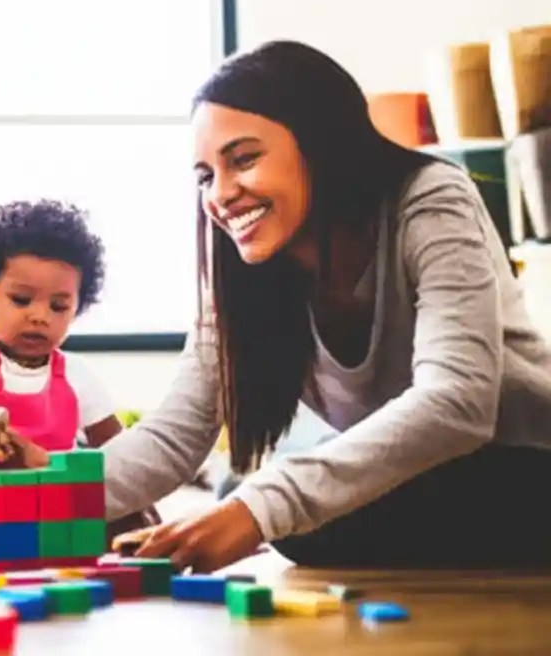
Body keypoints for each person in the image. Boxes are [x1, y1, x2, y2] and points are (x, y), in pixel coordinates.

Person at [102, 40, 551, 571]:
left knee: (280, 507)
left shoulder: (430, 197)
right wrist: (38, 494)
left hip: (526, 470)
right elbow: (173, 435)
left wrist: (261, 505)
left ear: (318, 145)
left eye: (243, 159)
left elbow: (458, 402)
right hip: (423, 493)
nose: (220, 194)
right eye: (205, 176)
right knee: (296, 522)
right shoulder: (245, 274)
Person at [0, 200, 159, 537]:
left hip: (51, 519)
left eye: (58, 306)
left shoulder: (77, 375)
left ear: (77, 307)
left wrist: (144, 508)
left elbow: (117, 450)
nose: (40, 316)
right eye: (21, 300)